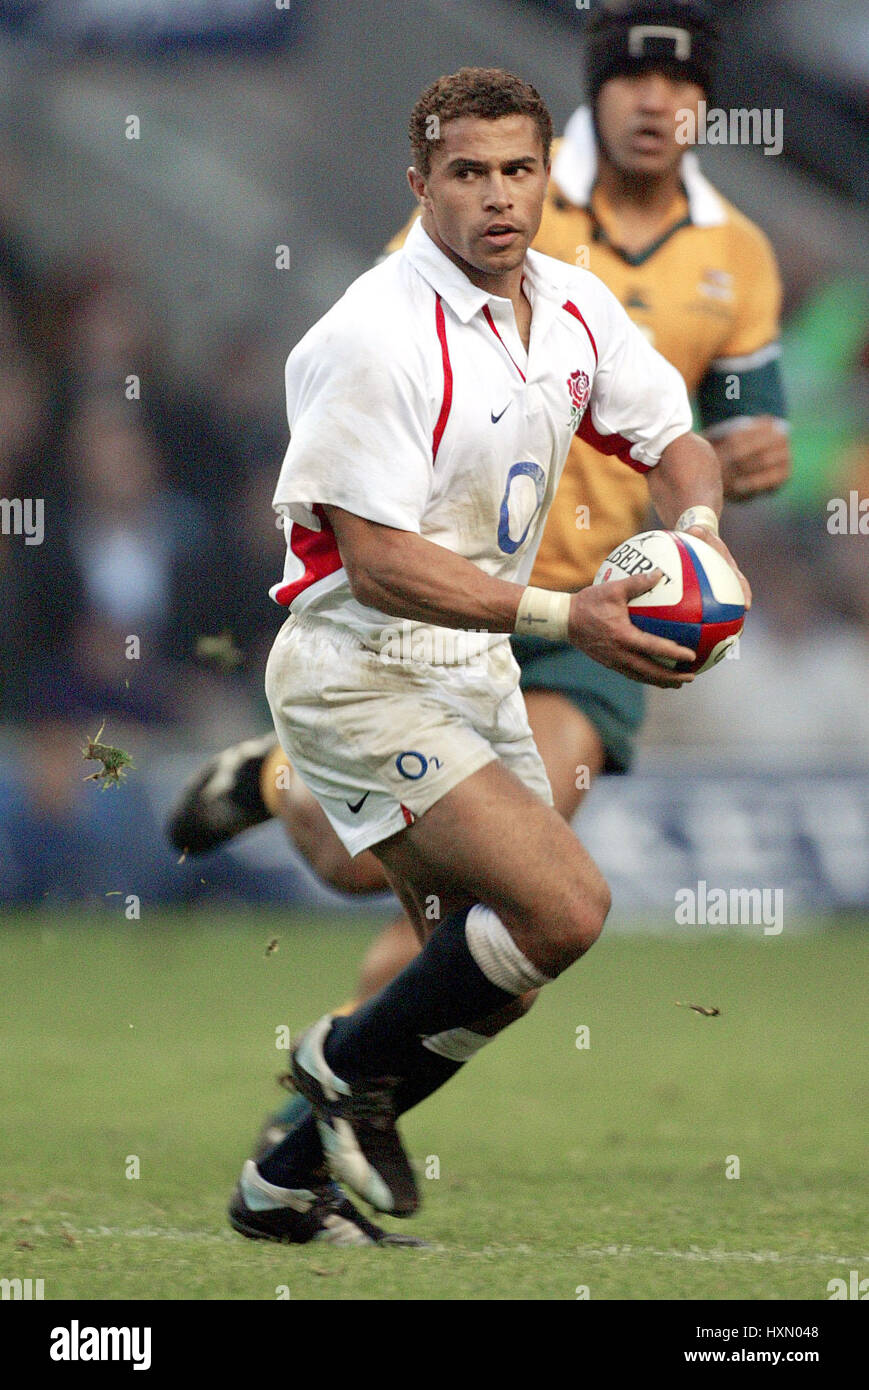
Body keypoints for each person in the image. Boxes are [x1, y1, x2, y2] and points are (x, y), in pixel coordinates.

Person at [168, 0, 789, 1192]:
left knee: (487, 949)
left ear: (548, 175)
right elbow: (378, 559)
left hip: (477, 664)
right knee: (564, 903)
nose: (495, 195)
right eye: (466, 173)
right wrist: (572, 617)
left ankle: (287, 1176)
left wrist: (698, 534)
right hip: (360, 667)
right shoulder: (374, 334)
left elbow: (675, 436)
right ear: (419, 184)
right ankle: (342, 1070)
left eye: (516, 169)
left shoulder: (569, 302)